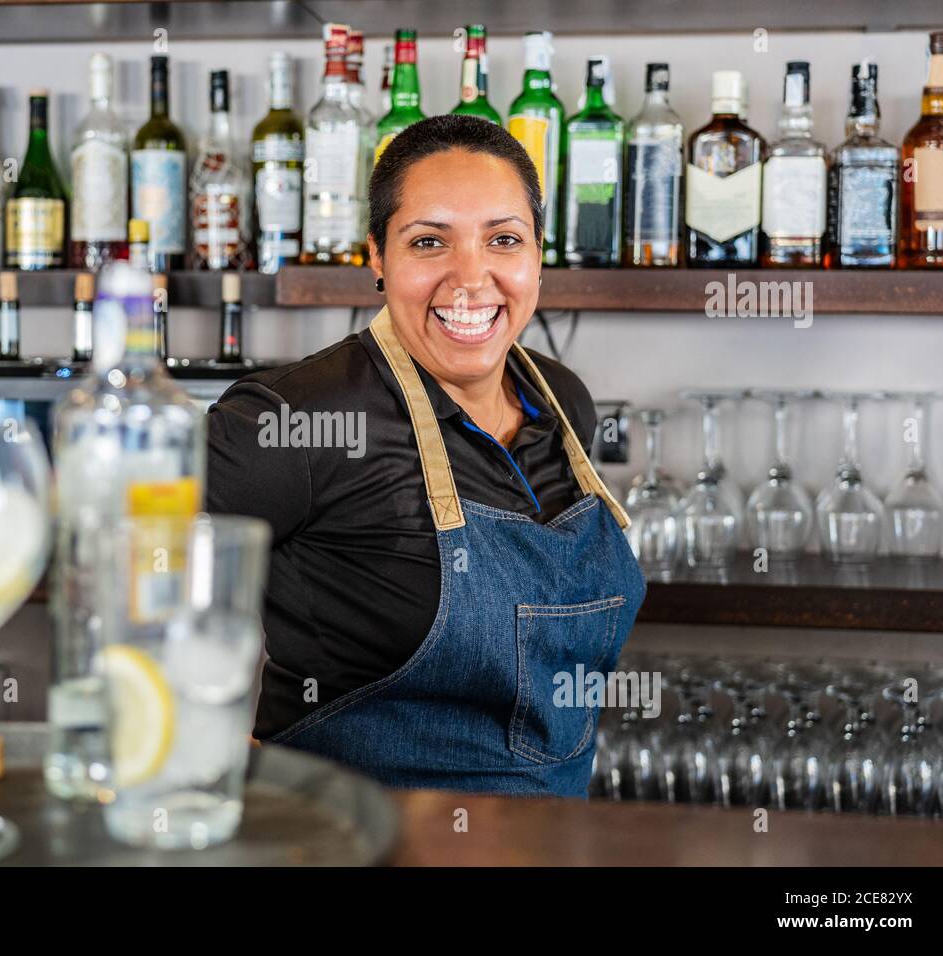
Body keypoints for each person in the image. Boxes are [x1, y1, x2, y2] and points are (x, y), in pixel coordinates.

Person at [207, 114, 645, 796]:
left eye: (504, 239)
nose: (471, 278)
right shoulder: (297, 419)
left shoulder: (562, 402)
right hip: (357, 847)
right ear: (377, 257)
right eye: (429, 241)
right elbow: (112, 555)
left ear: (537, 255)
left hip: (552, 838)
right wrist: (208, 755)